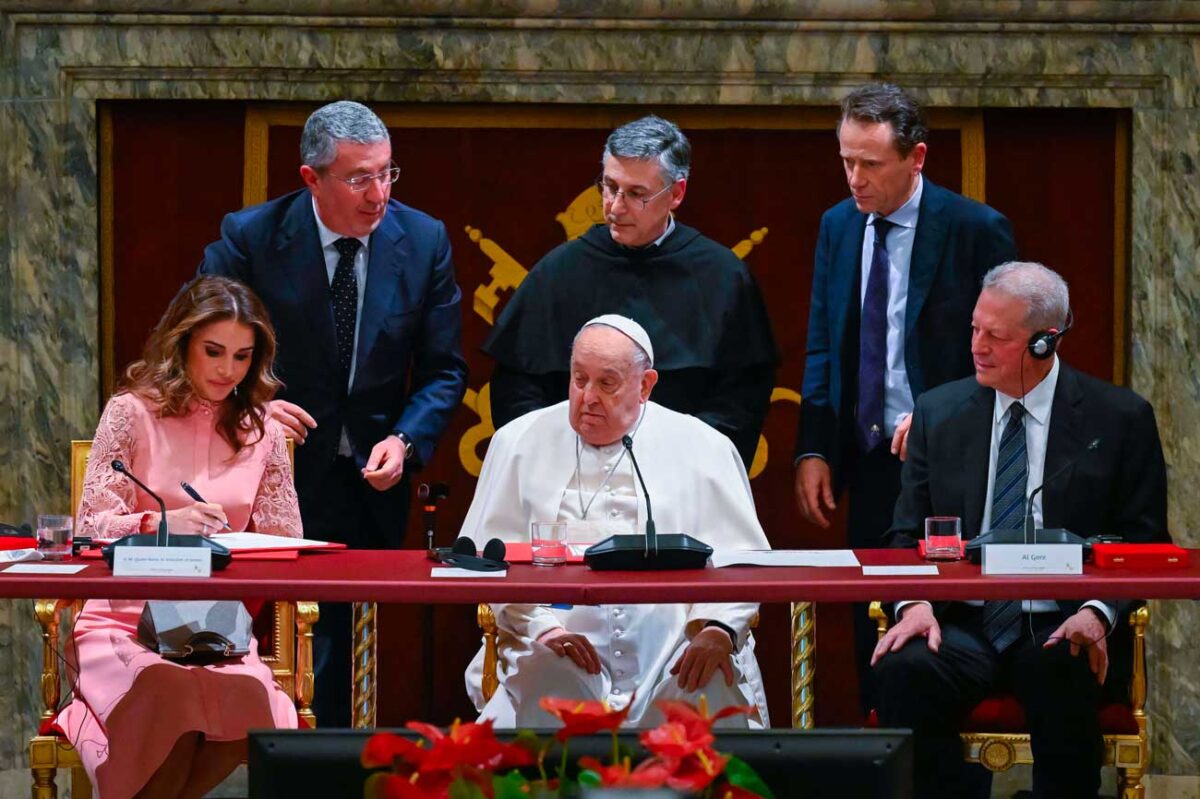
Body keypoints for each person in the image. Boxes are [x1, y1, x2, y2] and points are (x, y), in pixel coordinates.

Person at [199, 100, 468, 726]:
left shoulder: (424, 240)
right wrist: (256, 401)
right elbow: (197, 348)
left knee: (347, 654)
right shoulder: (251, 237)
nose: (378, 194)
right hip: (264, 474)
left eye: (387, 174)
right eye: (358, 178)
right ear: (311, 178)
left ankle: (342, 773)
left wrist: (406, 438)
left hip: (370, 478)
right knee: (260, 648)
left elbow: (443, 370)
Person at [871, 262, 1169, 799]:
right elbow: (902, 536)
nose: (977, 346)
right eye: (974, 329)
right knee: (904, 669)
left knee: (1064, 672)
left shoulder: (1118, 419)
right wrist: (913, 603)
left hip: (1060, 619)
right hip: (961, 620)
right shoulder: (939, 413)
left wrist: (1096, 613)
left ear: (1043, 343)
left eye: (997, 336)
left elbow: (1145, 542)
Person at [793, 83, 1018, 708]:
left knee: (943, 630)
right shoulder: (838, 226)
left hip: (950, 464)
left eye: (870, 164)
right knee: (874, 625)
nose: (854, 178)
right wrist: (813, 448)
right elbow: (823, 341)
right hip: (868, 462)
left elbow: (1004, 353)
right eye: (845, 160)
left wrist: (936, 414)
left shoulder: (975, 229)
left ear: (916, 158)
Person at [57, 275, 302, 799]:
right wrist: (160, 525)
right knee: (168, 692)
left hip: (215, 622)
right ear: (182, 341)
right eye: (213, 351)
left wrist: (239, 546)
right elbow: (90, 525)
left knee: (246, 696)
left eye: (241, 356)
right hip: (122, 617)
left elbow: (286, 541)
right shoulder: (131, 412)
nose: (226, 370)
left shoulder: (262, 431)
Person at [463, 316, 770, 728]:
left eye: (606, 384)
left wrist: (716, 630)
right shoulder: (518, 442)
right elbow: (484, 563)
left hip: (673, 651)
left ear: (645, 386)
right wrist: (543, 630)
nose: (587, 397)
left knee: (708, 685)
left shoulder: (704, 448)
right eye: (578, 379)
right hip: (554, 645)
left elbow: (744, 564)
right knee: (545, 690)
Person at [483, 115, 778, 467]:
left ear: (676, 194)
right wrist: (564, 457)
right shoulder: (559, 271)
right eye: (609, 187)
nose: (615, 206)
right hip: (572, 476)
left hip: (683, 477)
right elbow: (517, 390)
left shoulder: (722, 275)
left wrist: (682, 459)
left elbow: (741, 398)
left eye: (636, 194)